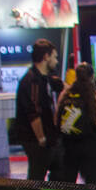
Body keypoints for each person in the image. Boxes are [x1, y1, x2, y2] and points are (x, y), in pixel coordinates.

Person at [13, 38, 62, 181]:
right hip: (35, 138)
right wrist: (41, 137)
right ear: (46, 57)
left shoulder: (44, 78)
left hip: (47, 136)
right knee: (37, 175)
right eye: (54, 57)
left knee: (58, 167)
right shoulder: (32, 80)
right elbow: (33, 112)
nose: (56, 61)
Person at [55, 62, 96, 185]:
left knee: (68, 182)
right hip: (90, 145)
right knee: (93, 182)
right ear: (92, 76)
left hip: (68, 144)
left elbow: (56, 119)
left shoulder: (65, 94)